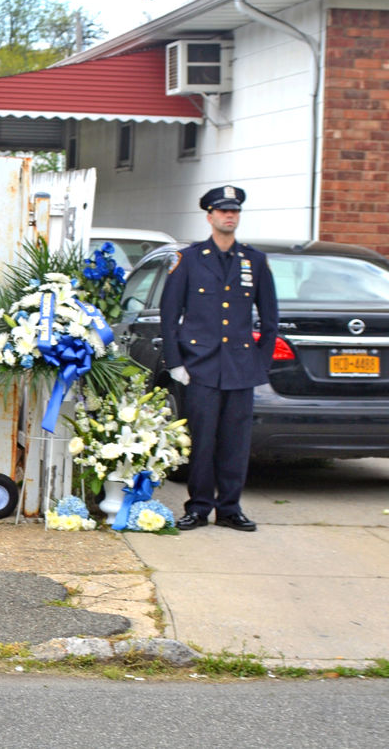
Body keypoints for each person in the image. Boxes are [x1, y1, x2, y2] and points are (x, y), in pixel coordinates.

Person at [159, 185, 278, 532]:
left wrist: (261, 363)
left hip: (240, 368)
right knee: (203, 439)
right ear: (209, 216)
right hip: (201, 366)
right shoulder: (190, 259)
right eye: (223, 211)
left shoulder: (253, 261)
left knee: (235, 443)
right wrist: (176, 363)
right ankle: (198, 506)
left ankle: (229, 507)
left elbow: (270, 320)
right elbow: (170, 317)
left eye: (235, 211)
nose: (230, 216)